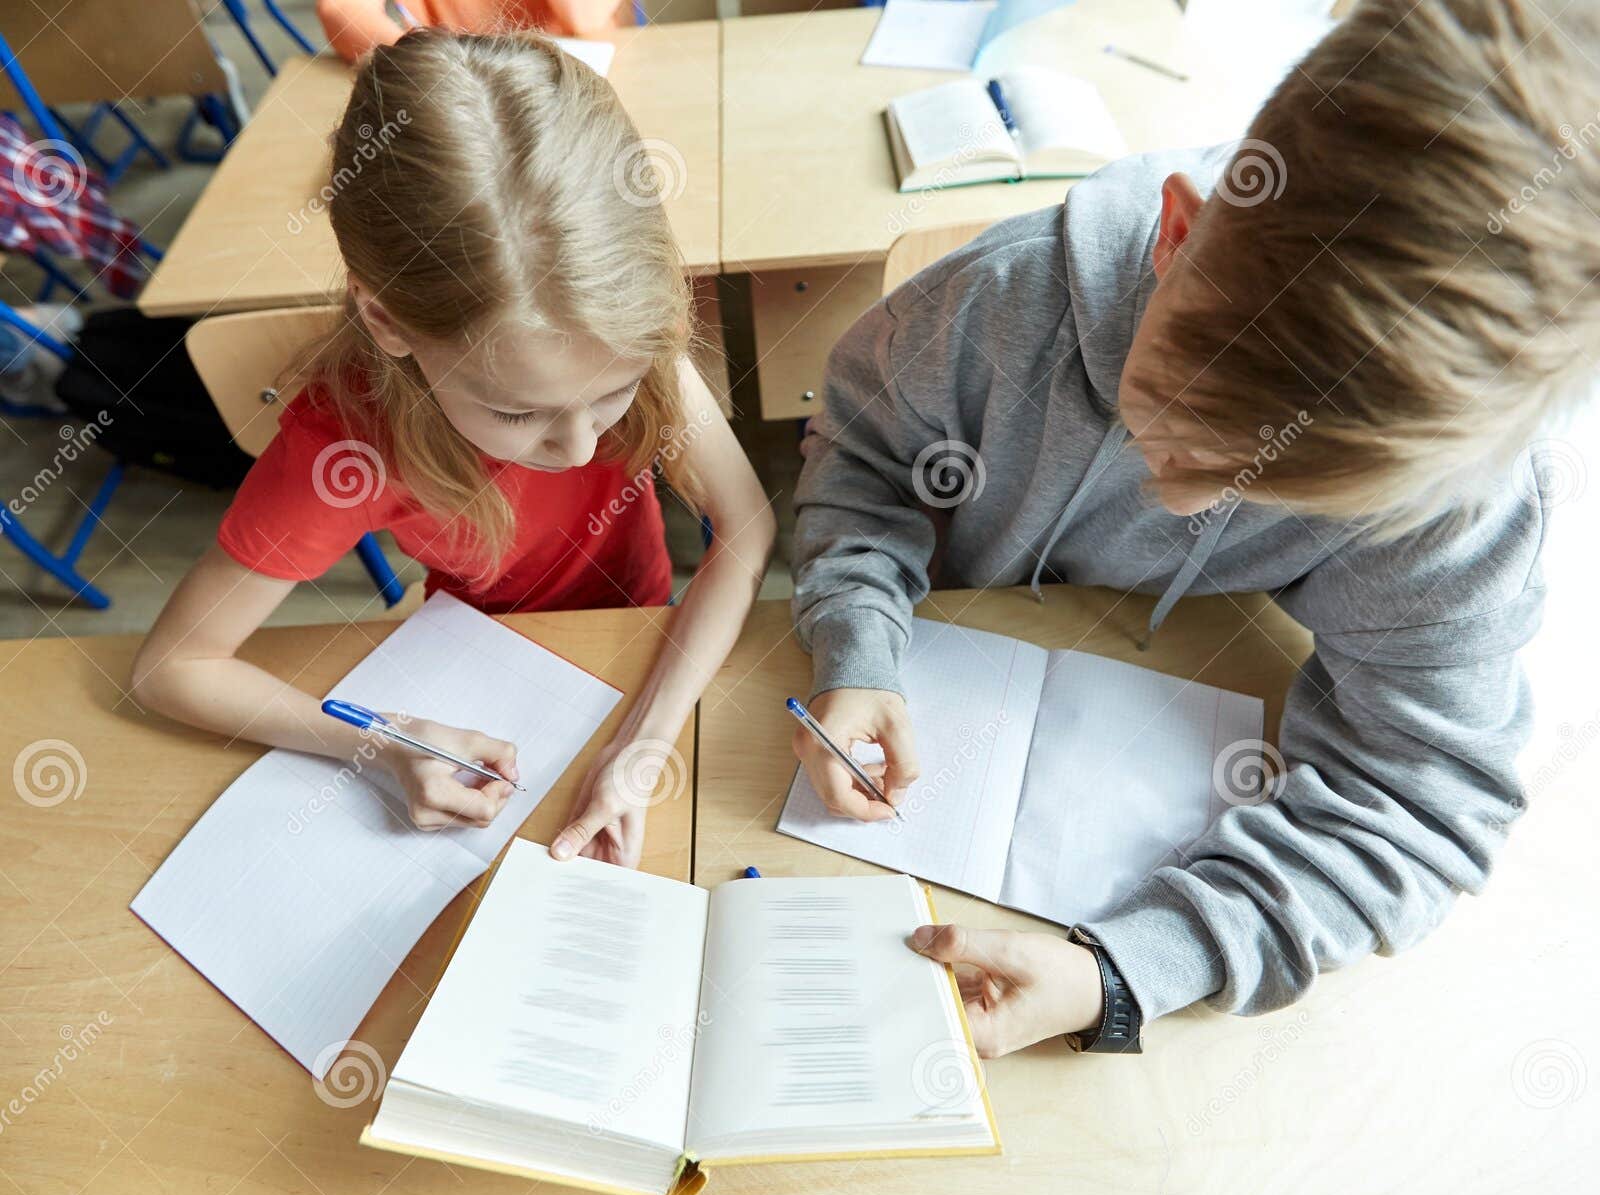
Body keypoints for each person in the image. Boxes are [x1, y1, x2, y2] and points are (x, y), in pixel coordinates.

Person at [789, 0, 1598, 1056]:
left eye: (1280, 489)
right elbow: (862, 457)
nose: (1183, 503)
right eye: (1174, 428)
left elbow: (1418, 800)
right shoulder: (996, 305)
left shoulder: (1455, 493)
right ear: (1175, 234)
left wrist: (1129, 969)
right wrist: (856, 635)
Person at [132, 31, 775, 868]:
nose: (580, 447)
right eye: (517, 412)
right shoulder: (347, 444)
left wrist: (645, 740)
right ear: (387, 321)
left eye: (611, 394)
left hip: (638, 628)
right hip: (474, 674)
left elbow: (746, 524)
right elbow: (170, 667)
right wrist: (382, 741)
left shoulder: (604, 315)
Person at [316, 0, 626, 65]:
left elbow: (583, 16)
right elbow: (339, 11)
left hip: (577, 71)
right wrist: (438, 61)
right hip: (447, 80)